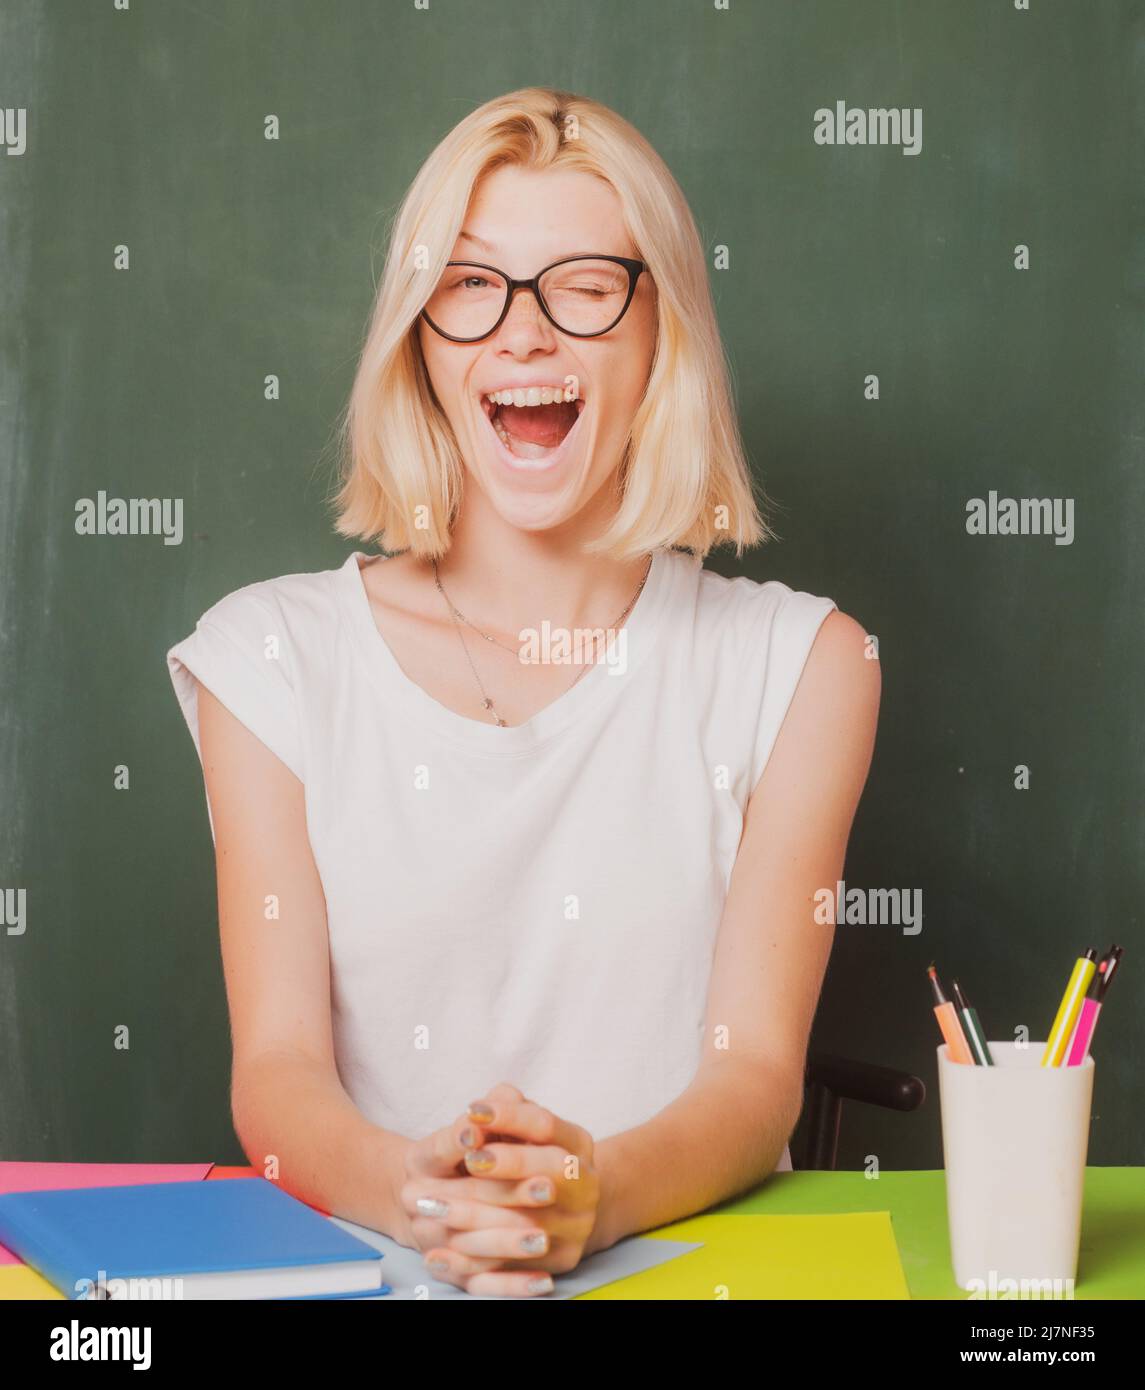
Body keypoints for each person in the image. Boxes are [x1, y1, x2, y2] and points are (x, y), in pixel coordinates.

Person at [167, 87, 880, 1297]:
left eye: (585, 284)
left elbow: (754, 1080)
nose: (523, 334)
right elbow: (276, 1073)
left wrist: (585, 1193)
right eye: (471, 283)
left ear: (661, 330)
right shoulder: (270, 659)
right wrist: (421, 1192)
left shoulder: (803, 666)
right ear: (421, 337)